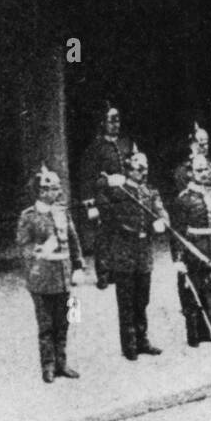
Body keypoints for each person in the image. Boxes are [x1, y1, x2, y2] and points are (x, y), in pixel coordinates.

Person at [16, 165, 84, 383]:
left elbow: (73, 240)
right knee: (46, 325)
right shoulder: (29, 216)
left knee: (64, 322)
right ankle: (48, 365)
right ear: (41, 192)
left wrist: (79, 265)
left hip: (63, 277)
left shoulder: (62, 211)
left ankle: (62, 363)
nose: (57, 192)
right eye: (52, 189)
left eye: (57, 188)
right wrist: (39, 251)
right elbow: (23, 246)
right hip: (42, 277)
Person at [98, 150, 168, 360]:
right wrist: (107, 181)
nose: (144, 172)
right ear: (128, 170)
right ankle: (129, 345)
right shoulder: (119, 191)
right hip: (124, 251)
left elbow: (160, 208)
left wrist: (162, 219)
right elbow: (99, 196)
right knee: (126, 301)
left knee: (142, 299)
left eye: (146, 168)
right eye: (139, 168)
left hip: (143, 251)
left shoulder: (149, 191)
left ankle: (142, 339)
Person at [169, 154, 211, 347]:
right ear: (190, 173)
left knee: (210, 287)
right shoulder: (183, 199)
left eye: (205, 169)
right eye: (199, 170)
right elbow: (177, 232)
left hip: (210, 245)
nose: (204, 173)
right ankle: (194, 334)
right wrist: (178, 258)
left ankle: (209, 330)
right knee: (191, 290)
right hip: (192, 247)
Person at [79, 103, 135, 288]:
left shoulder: (126, 143)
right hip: (104, 197)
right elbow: (88, 176)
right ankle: (103, 273)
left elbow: (135, 167)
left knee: (123, 234)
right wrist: (92, 201)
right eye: (111, 121)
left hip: (124, 195)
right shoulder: (96, 148)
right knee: (104, 236)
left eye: (117, 120)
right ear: (103, 123)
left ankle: (119, 270)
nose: (115, 124)